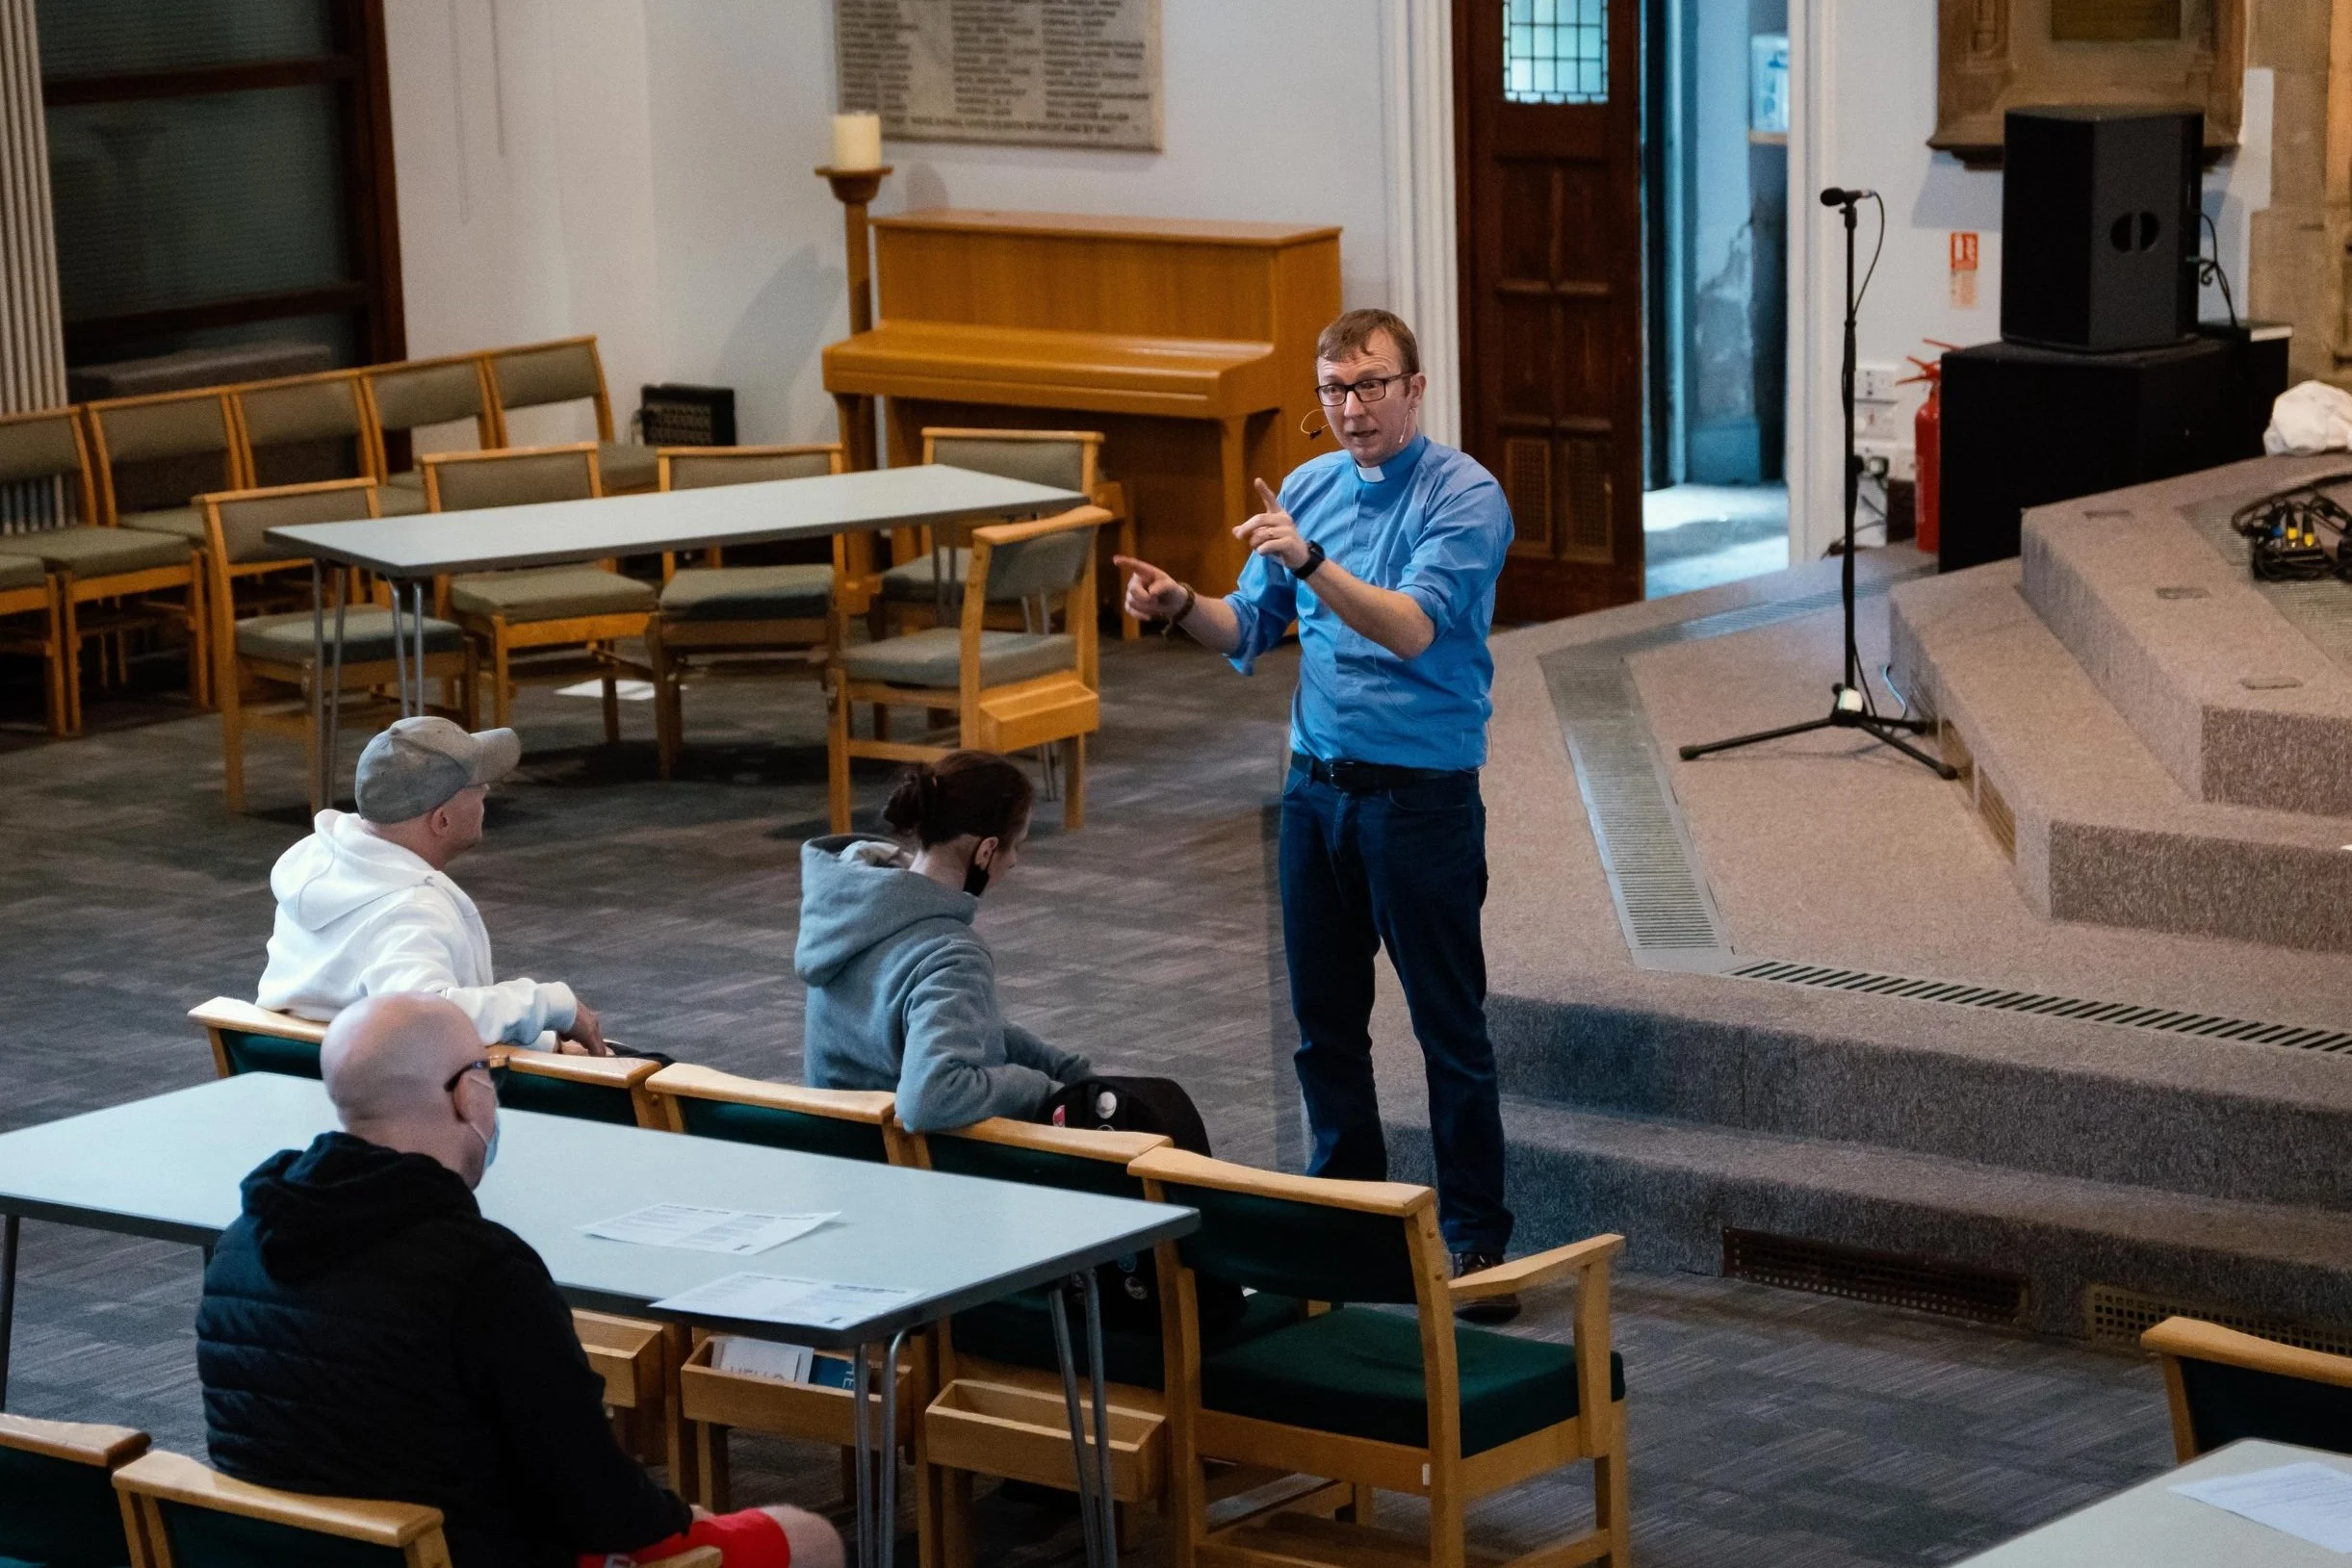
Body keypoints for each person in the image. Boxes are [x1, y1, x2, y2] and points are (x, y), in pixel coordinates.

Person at [1114, 307, 1522, 1321]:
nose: (1352, 408)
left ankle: (1475, 1239)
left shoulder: (1464, 496)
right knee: (1323, 1029)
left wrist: (1308, 562)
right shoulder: (1305, 488)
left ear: (1414, 389)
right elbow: (1245, 627)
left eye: (1371, 385)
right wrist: (1180, 607)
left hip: (1418, 799)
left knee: (1447, 1029)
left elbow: (1410, 628)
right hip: (1313, 793)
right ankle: (1345, 1224)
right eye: (1334, 390)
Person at [194, 992, 842, 1568]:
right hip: (473, 1550)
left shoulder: (240, 1242)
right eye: (487, 1070)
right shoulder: (483, 1273)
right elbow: (601, 1504)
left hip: (282, 1551)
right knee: (808, 1537)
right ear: (465, 1093)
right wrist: (681, 1519)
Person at [257, 716, 610, 1054]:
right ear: (442, 820)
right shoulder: (410, 909)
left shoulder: (320, 864)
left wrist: (544, 1045)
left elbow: (375, 1016)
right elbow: (429, 1020)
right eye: (475, 786)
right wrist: (551, 1004)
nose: (486, 788)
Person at [797, 751, 1090, 1131]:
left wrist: (1060, 1069)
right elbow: (931, 1098)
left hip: (830, 1144)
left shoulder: (852, 908)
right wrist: (1038, 1087)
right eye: (1016, 845)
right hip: (895, 1159)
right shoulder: (951, 956)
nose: (1014, 861)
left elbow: (951, 1024)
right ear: (986, 851)